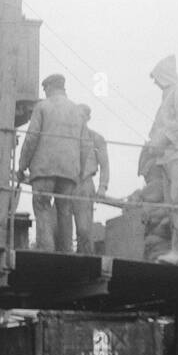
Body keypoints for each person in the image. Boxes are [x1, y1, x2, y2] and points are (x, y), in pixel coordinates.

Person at [140, 55, 178, 264]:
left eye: (157, 78)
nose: (156, 83)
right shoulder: (166, 98)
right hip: (168, 157)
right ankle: (177, 248)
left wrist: (163, 138)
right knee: (171, 204)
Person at [16, 73, 86, 253]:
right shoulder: (77, 111)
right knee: (65, 211)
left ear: (49, 87)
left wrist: (22, 166)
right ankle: (66, 252)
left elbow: (31, 138)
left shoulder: (42, 107)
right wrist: (80, 171)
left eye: (45, 88)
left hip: (44, 170)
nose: (44, 92)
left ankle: (46, 250)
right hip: (69, 172)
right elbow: (85, 145)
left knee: (42, 207)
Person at [73, 104, 110, 256]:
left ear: (88, 118)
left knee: (84, 228)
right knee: (60, 226)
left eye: (82, 116)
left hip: (85, 183)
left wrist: (102, 187)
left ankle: (85, 260)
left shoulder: (97, 138)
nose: (78, 119)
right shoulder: (67, 137)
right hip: (66, 183)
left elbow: (105, 165)